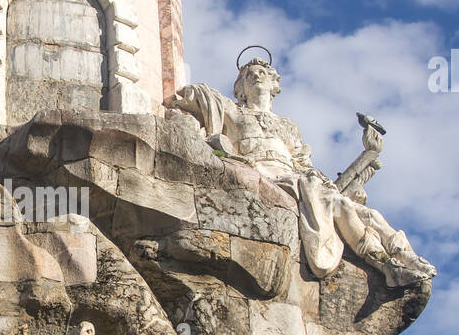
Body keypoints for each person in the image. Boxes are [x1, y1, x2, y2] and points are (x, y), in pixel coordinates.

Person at [170, 57, 435, 287]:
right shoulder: (232, 111)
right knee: (335, 203)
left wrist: (368, 155)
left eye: (263, 73)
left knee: (367, 213)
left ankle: (405, 256)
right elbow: (197, 96)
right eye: (248, 76)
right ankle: (387, 266)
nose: (256, 76)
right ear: (239, 89)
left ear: (275, 84)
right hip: (266, 174)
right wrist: (195, 92)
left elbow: (304, 165)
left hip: (297, 176)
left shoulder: (288, 126)